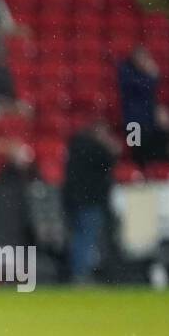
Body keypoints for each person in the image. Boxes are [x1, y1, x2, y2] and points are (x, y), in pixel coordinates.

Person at [62, 119, 118, 284]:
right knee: (86, 237)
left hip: (74, 201)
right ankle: (80, 274)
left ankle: (78, 272)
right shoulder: (95, 149)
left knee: (80, 237)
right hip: (90, 201)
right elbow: (112, 156)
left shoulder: (75, 146)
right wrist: (108, 144)